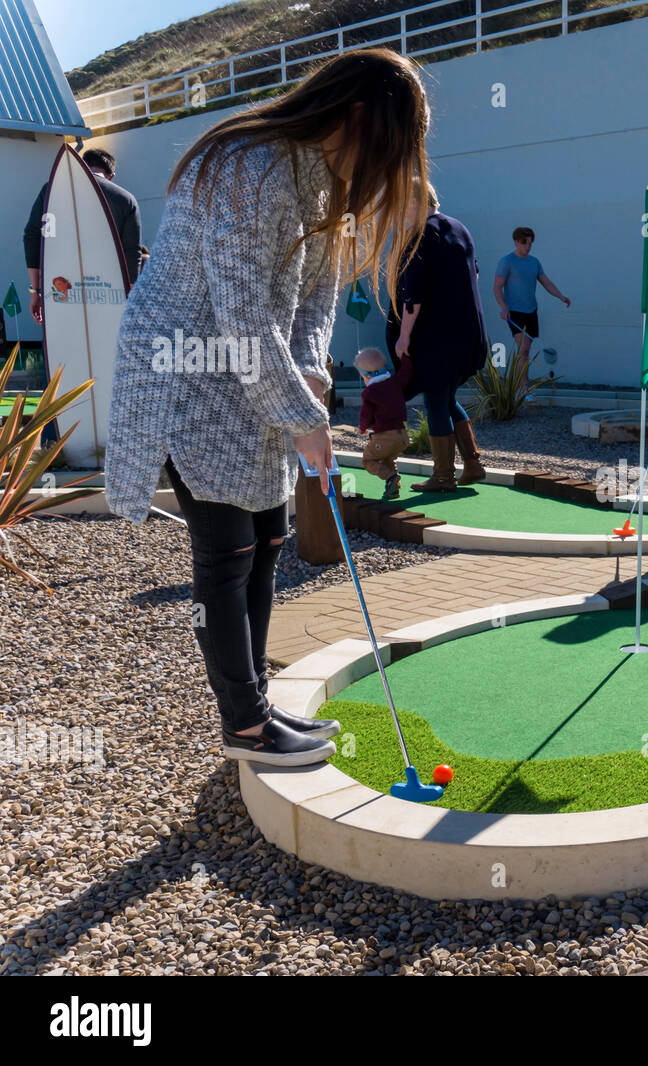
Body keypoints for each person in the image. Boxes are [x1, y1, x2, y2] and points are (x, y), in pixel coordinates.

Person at [104, 48, 432, 766]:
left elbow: (314, 300)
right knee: (227, 552)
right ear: (353, 116)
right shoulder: (249, 169)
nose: (383, 169)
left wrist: (309, 374)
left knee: (269, 539)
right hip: (186, 370)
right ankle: (244, 723)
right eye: (386, 146)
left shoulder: (325, 181)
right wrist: (304, 419)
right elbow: (241, 315)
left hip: (253, 374)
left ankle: (255, 702)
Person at [24, 147, 144, 445]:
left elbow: (31, 235)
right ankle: (116, 437)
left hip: (61, 296)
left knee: (59, 366)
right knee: (111, 365)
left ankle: (56, 443)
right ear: (111, 174)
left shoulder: (51, 191)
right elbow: (132, 257)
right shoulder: (124, 198)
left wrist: (36, 290)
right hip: (109, 299)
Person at [388, 178, 490, 492]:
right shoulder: (459, 228)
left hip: (436, 338)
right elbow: (473, 273)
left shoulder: (420, 234)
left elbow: (413, 295)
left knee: (435, 398)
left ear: (414, 202)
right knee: (446, 397)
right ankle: (472, 464)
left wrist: (403, 337)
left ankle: (443, 475)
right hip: (468, 335)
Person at [492, 226, 569, 362]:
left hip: (531, 311)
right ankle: (522, 384)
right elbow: (497, 287)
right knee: (523, 348)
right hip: (514, 312)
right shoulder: (507, 262)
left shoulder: (534, 262)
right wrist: (503, 307)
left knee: (525, 351)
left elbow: (546, 282)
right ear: (516, 242)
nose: (528, 246)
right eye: (524, 242)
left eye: (530, 243)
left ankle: (521, 382)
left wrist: (561, 296)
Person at [356, 346, 413, 500]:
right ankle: (394, 488)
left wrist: (362, 427)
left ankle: (391, 478)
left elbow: (366, 415)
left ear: (366, 376)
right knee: (388, 459)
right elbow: (406, 373)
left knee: (368, 460)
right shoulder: (394, 382)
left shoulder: (370, 392)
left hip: (384, 436)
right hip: (402, 436)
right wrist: (404, 357)